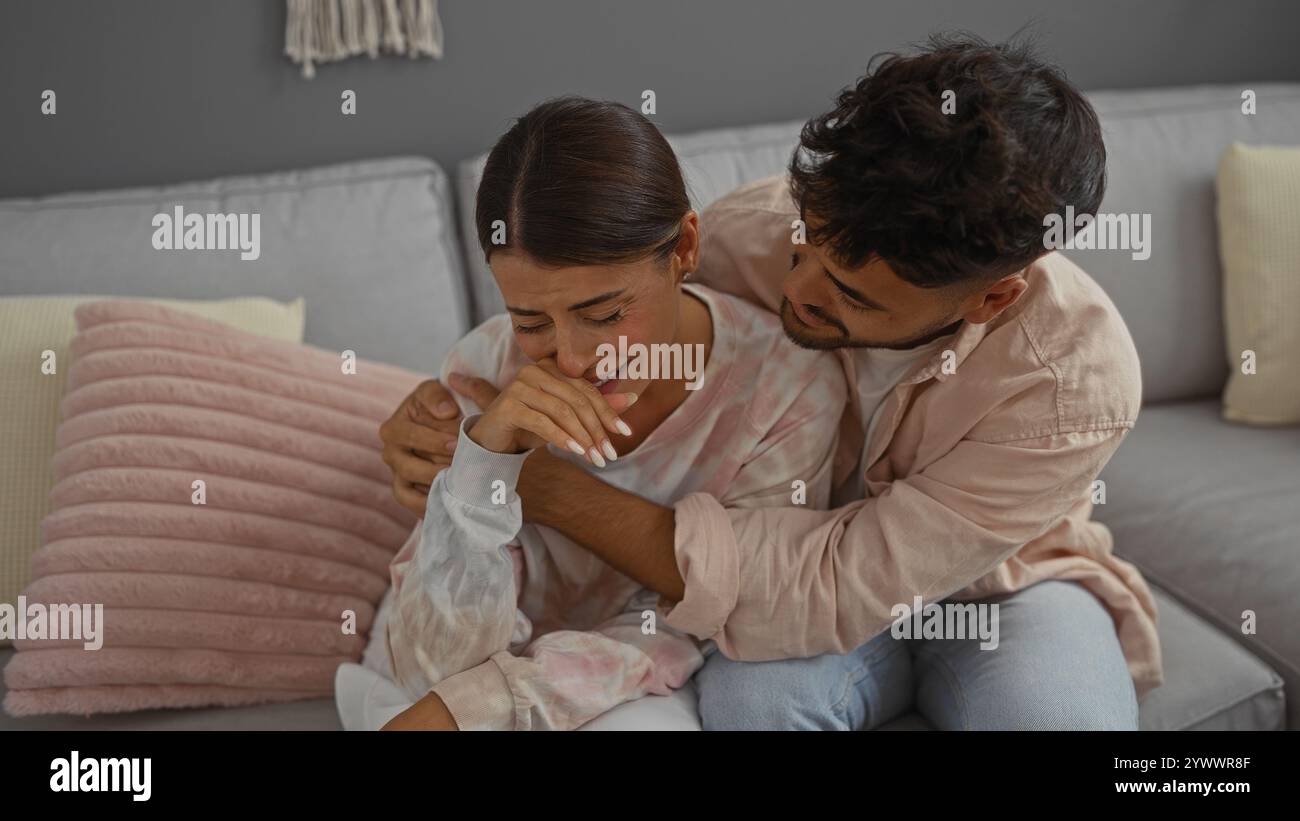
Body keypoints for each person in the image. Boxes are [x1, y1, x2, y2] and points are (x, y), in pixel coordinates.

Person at [382, 34, 1164, 731]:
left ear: (990, 298)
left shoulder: (1072, 384)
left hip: (1004, 590)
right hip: (777, 592)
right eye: (805, 250)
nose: (799, 293)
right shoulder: (744, 232)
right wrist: (436, 429)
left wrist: (538, 485)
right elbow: (582, 328)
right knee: (751, 706)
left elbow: (823, 586)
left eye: (851, 295)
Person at [369, 96, 846, 731]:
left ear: (684, 248)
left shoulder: (788, 388)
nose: (572, 359)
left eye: (604, 315)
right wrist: (488, 461)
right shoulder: (489, 369)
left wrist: (495, 701)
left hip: (624, 680)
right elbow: (436, 670)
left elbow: (701, 613)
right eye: (531, 321)